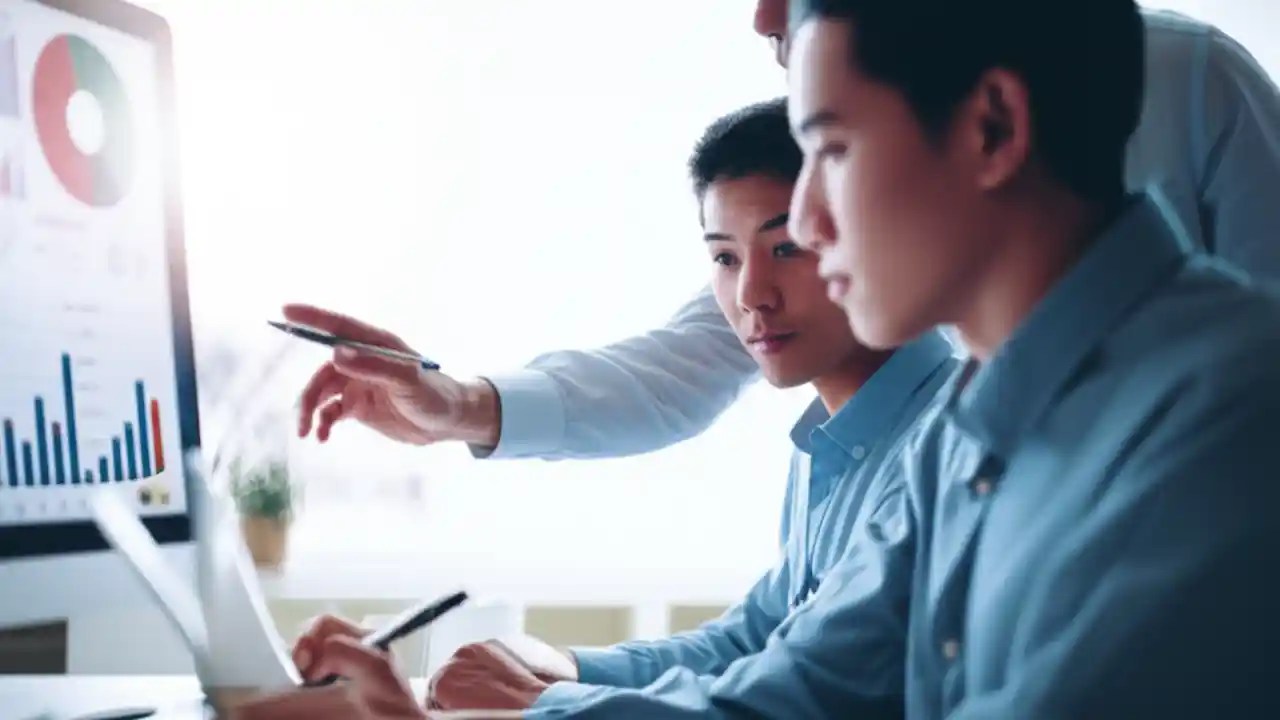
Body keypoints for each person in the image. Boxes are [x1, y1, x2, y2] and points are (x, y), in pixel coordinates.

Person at [287, 0, 1280, 465]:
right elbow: (704, 348)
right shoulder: (934, 471)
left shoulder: (1189, 83)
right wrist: (461, 403)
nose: (758, 12)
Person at [281, 97, 956, 717]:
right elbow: (760, 637)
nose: (751, 295)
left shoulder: (941, 447)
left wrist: (544, 704)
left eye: (787, 248)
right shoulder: (835, 442)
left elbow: (793, 697)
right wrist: (566, 666)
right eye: (723, 258)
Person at [783, 0, 1280, 717]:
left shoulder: (1233, 417)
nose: (805, 221)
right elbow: (801, 686)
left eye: (832, 151)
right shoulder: (957, 433)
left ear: (994, 129)